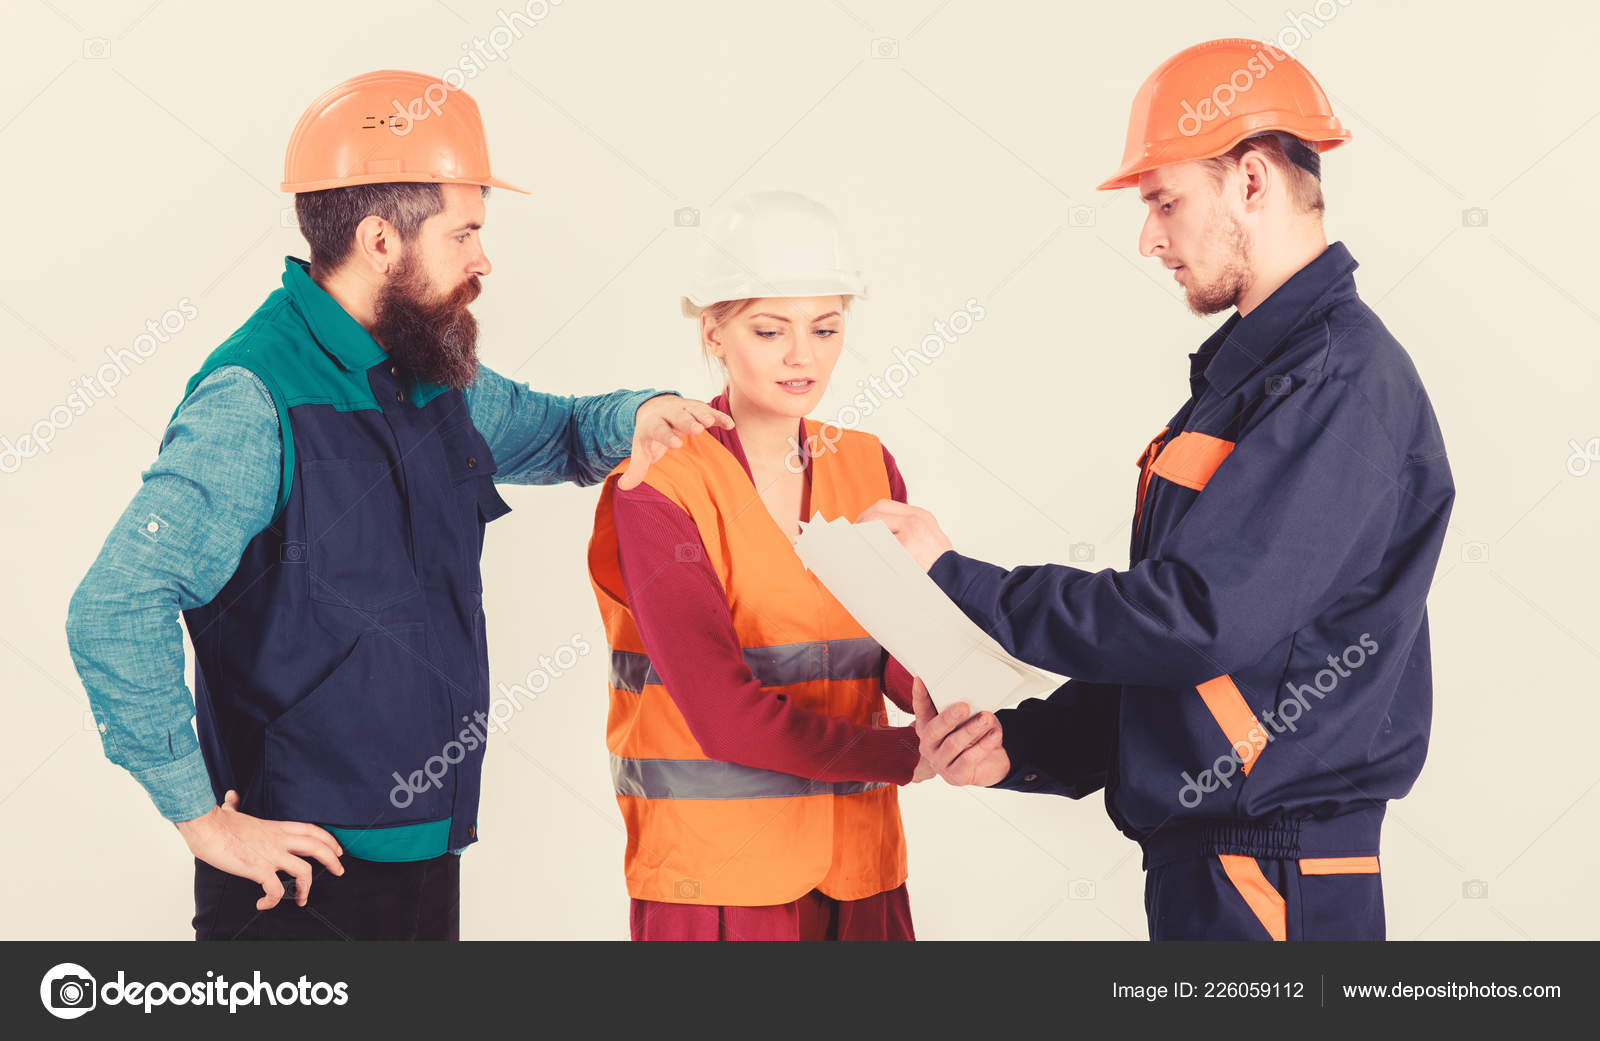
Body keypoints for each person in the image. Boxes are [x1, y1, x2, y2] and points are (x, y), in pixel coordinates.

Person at [64, 70, 729, 940]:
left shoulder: (428, 371)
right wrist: (201, 818)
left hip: (425, 850)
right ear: (382, 240)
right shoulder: (254, 395)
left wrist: (641, 412)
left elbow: (558, 431)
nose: (483, 258)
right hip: (299, 878)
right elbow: (113, 606)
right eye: (465, 233)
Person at [865, 39, 1456, 941]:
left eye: (1164, 202)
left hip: (1274, 882)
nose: (1149, 238)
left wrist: (954, 576)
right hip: (1227, 871)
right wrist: (1022, 747)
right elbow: (1189, 660)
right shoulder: (1257, 383)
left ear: (1251, 181)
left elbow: (1194, 618)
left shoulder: (1338, 385)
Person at [586, 191, 931, 941]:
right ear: (713, 330)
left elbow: (894, 659)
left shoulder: (869, 465)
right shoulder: (656, 486)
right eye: (770, 329)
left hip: (861, 871)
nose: (801, 355)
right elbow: (720, 712)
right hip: (715, 887)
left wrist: (957, 690)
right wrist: (910, 751)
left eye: (826, 328)